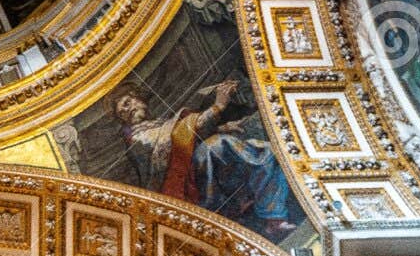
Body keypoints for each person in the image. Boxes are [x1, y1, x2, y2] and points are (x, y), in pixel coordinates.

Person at [110, 80, 296, 237]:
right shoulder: (135, 137)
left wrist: (221, 127)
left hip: (200, 171)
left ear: (138, 97)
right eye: (121, 113)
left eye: (127, 103)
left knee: (265, 150)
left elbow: (185, 137)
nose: (127, 111)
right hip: (183, 186)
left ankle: (274, 216)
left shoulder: (156, 123)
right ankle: (261, 212)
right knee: (214, 146)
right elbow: (176, 136)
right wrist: (218, 106)